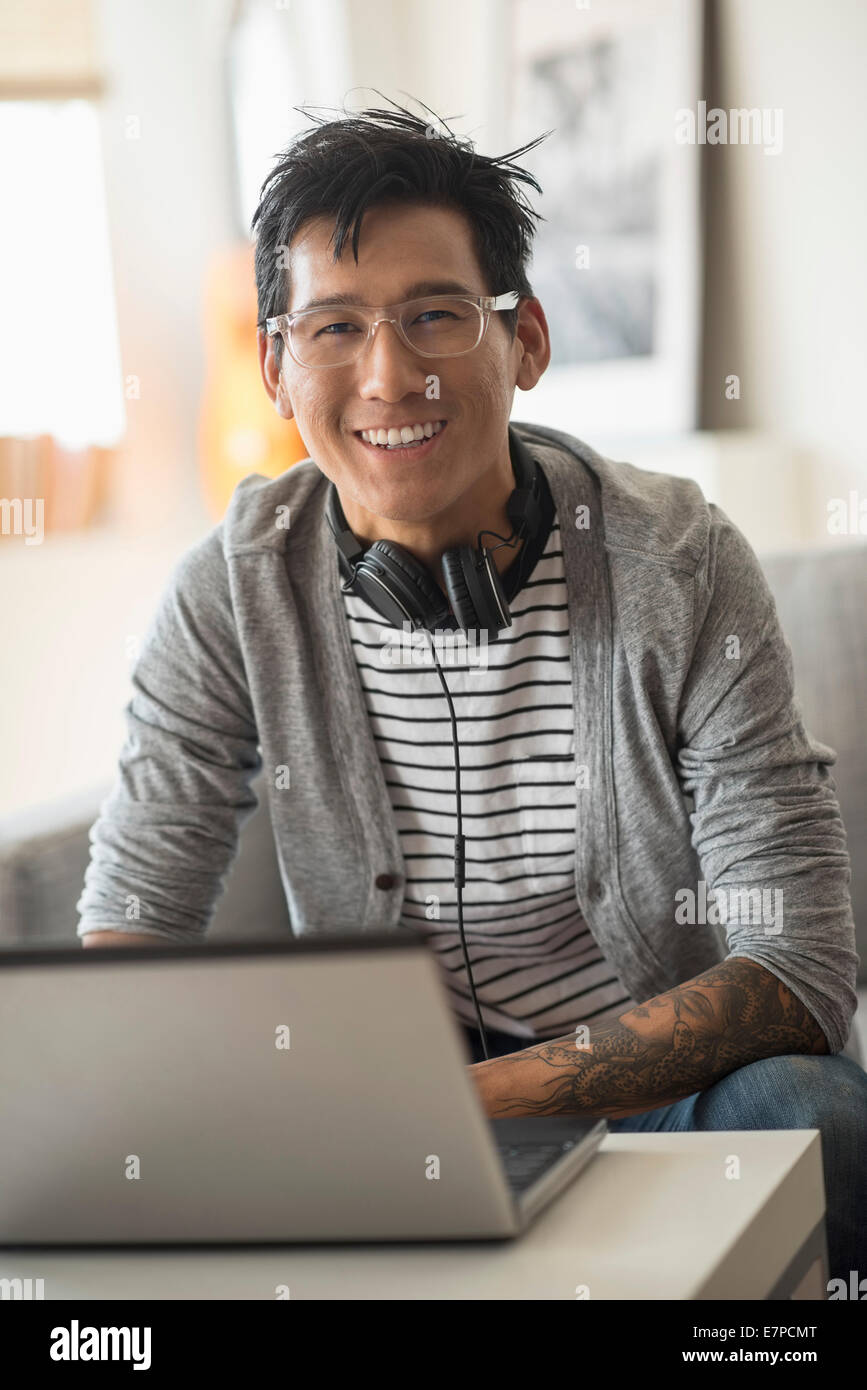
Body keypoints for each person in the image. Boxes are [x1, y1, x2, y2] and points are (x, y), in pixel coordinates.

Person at [77, 100, 866, 1285]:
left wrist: (455, 1100)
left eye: (437, 315)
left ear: (526, 340)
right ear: (279, 370)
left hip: (658, 1096)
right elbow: (134, 922)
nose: (389, 374)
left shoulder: (681, 565)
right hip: (374, 1122)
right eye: (334, 327)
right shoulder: (233, 590)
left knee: (818, 1108)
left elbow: (797, 975)